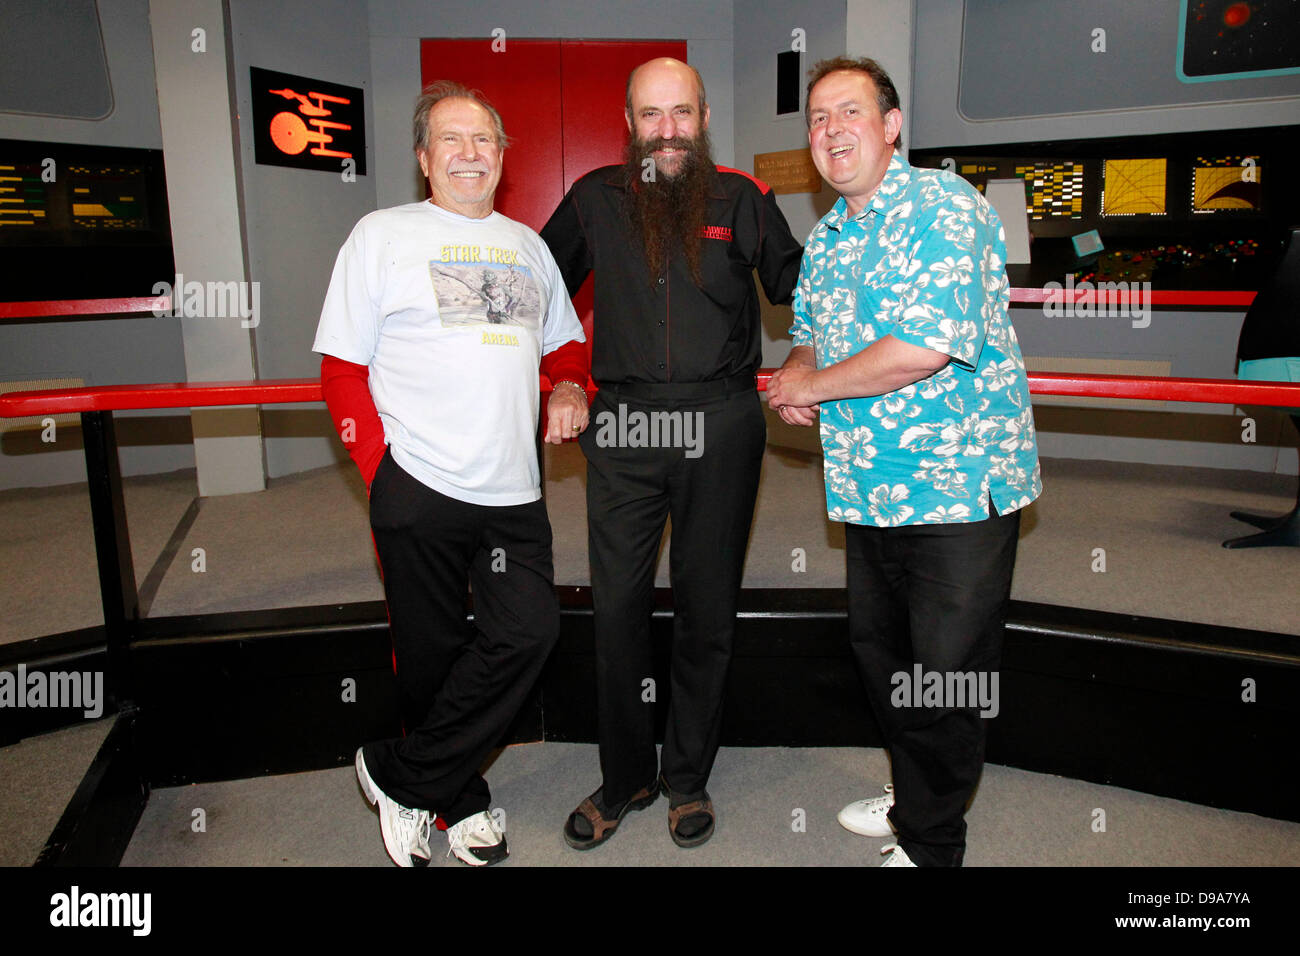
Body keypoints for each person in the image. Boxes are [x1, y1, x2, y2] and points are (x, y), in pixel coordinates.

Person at [767, 57, 1042, 867]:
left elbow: (922, 347)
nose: (830, 130)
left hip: (958, 489)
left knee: (948, 672)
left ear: (891, 126)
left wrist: (813, 379)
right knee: (884, 657)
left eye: (849, 112)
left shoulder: (942, 207)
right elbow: (812, 327)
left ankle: (932, 843)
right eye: (817, 118)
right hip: (867, 488)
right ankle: (915, 792)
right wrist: (798, 373)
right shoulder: (827, 236)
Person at [313, 80, 590, 867]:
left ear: (503, 157)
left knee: (527, 636)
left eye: (484, 141)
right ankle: (459, 798)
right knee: (430, 654)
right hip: (419, 486)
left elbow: (565, 349)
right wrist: (380, 469)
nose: (470, 154)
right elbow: (340, 371)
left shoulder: (529, 246)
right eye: (452, 140)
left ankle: (401, 776)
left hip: (515, 492)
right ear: (424, 157)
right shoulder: (382, 234)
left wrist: (571, 385)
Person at [541, 57, 803, 850]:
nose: (667, 130)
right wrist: (564, 378)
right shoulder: (592, 199)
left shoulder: (741, 198)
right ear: (629, 122)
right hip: (622, 426)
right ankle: (625, 777)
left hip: (720, 420)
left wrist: (811, 353)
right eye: (652, 115)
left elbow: (806, 283)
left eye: (681, 113)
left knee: (706, 608)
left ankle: (688, 777)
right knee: (617, 609)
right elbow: (537, 298)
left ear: (704, 115)